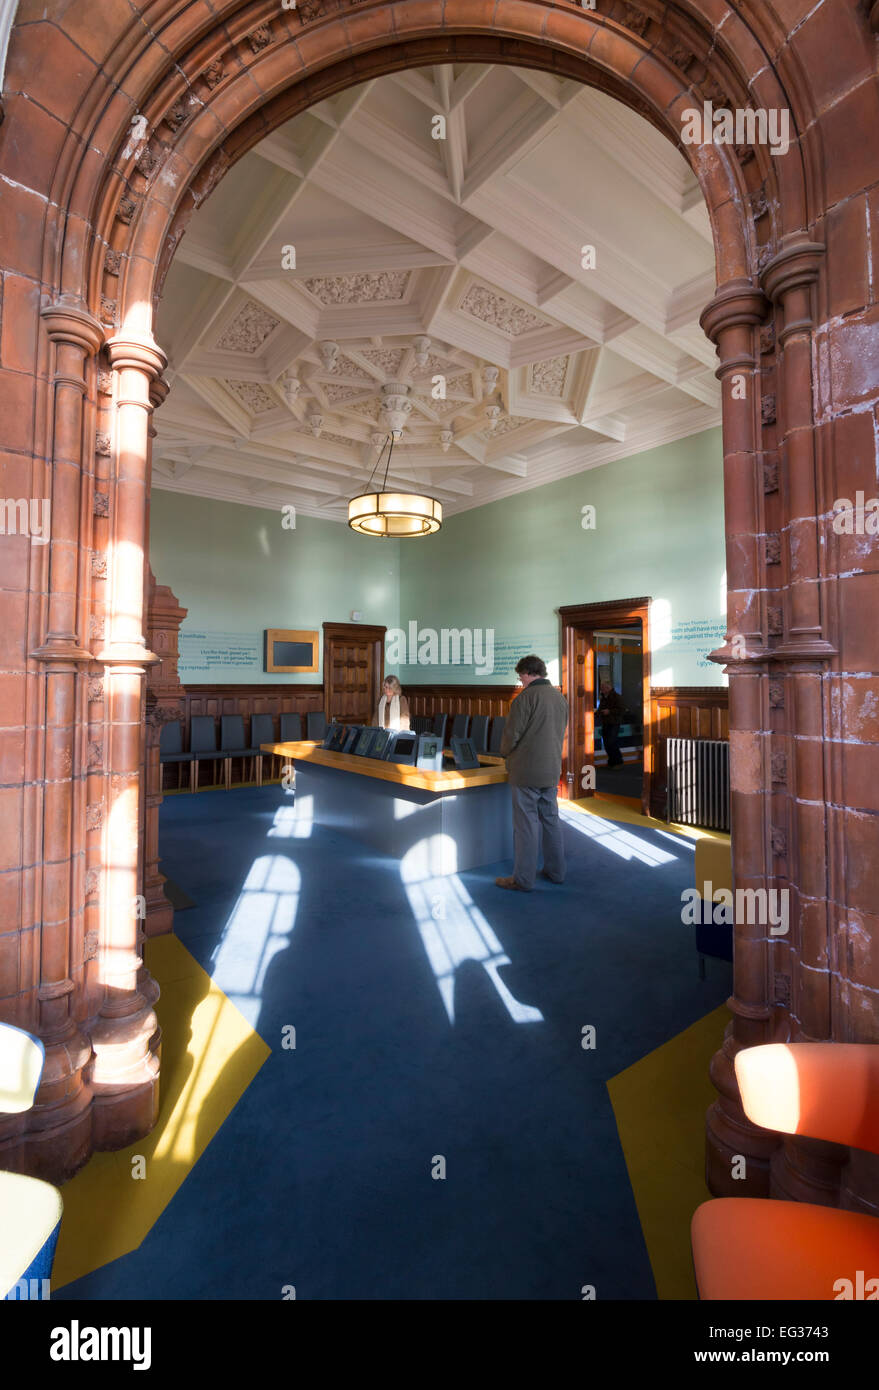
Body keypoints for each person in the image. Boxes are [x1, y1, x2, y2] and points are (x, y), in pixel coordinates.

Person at [496, 654, 569, 892]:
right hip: (551, 770)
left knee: (526, 825)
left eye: (520, 677)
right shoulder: (560, 698)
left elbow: (511, 736)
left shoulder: (525, 699)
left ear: (528, 673)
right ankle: (556, 872)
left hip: (526, 771)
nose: (520, 681)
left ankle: (523, 879)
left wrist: (504, 753)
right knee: (550, 821)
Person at [596, 679, 625, 769]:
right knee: (607, 743)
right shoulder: (603, 698)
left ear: (609, 688)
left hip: (614, 722)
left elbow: (621, 710)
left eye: (603, 687)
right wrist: (597, 713)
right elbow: (600, 709)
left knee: (611, 742)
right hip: (606, 722)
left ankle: (618, 762)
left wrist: (609, 711)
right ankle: (612, 762)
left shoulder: (617, 697)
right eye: (601, 687)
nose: (601, 689)